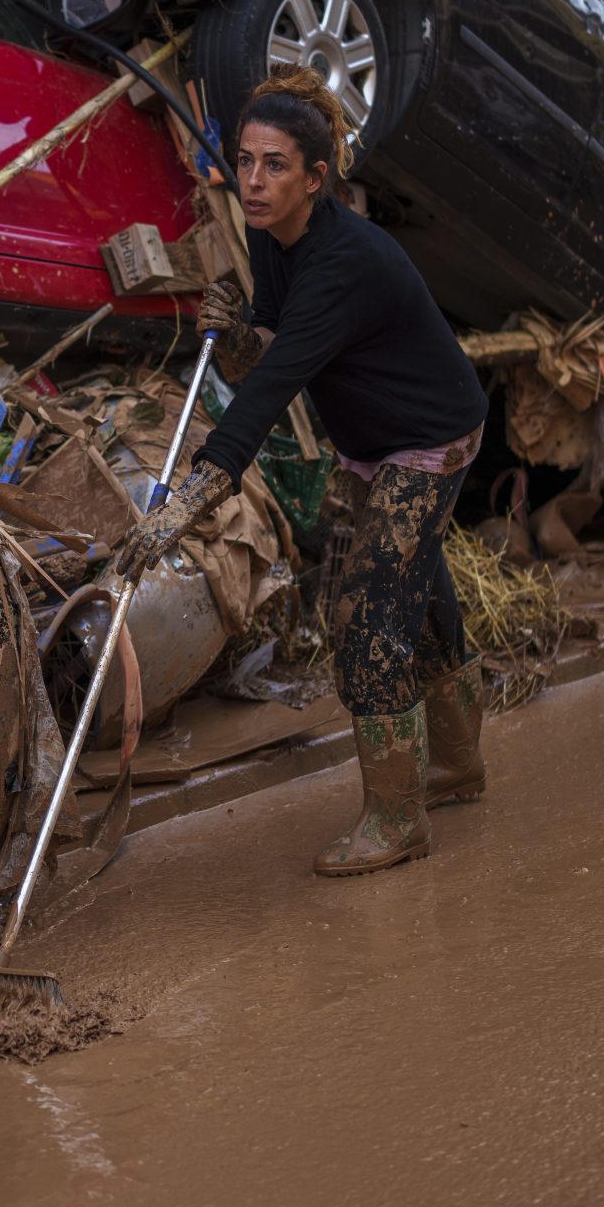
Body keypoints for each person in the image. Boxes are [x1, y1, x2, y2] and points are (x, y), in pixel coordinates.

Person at [116, 68, 489, 877]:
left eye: (275, 165)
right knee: (414, 592)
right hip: (374, 436)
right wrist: (240, 332)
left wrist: (181, 507)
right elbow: (274, 346)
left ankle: (397, 817)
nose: (252, 181)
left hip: (427, 438)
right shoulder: (269, 232)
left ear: (316, 179)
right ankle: (456, 765)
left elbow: (271, 392)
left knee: (366, 613)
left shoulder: (339, 263)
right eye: (245, 160)